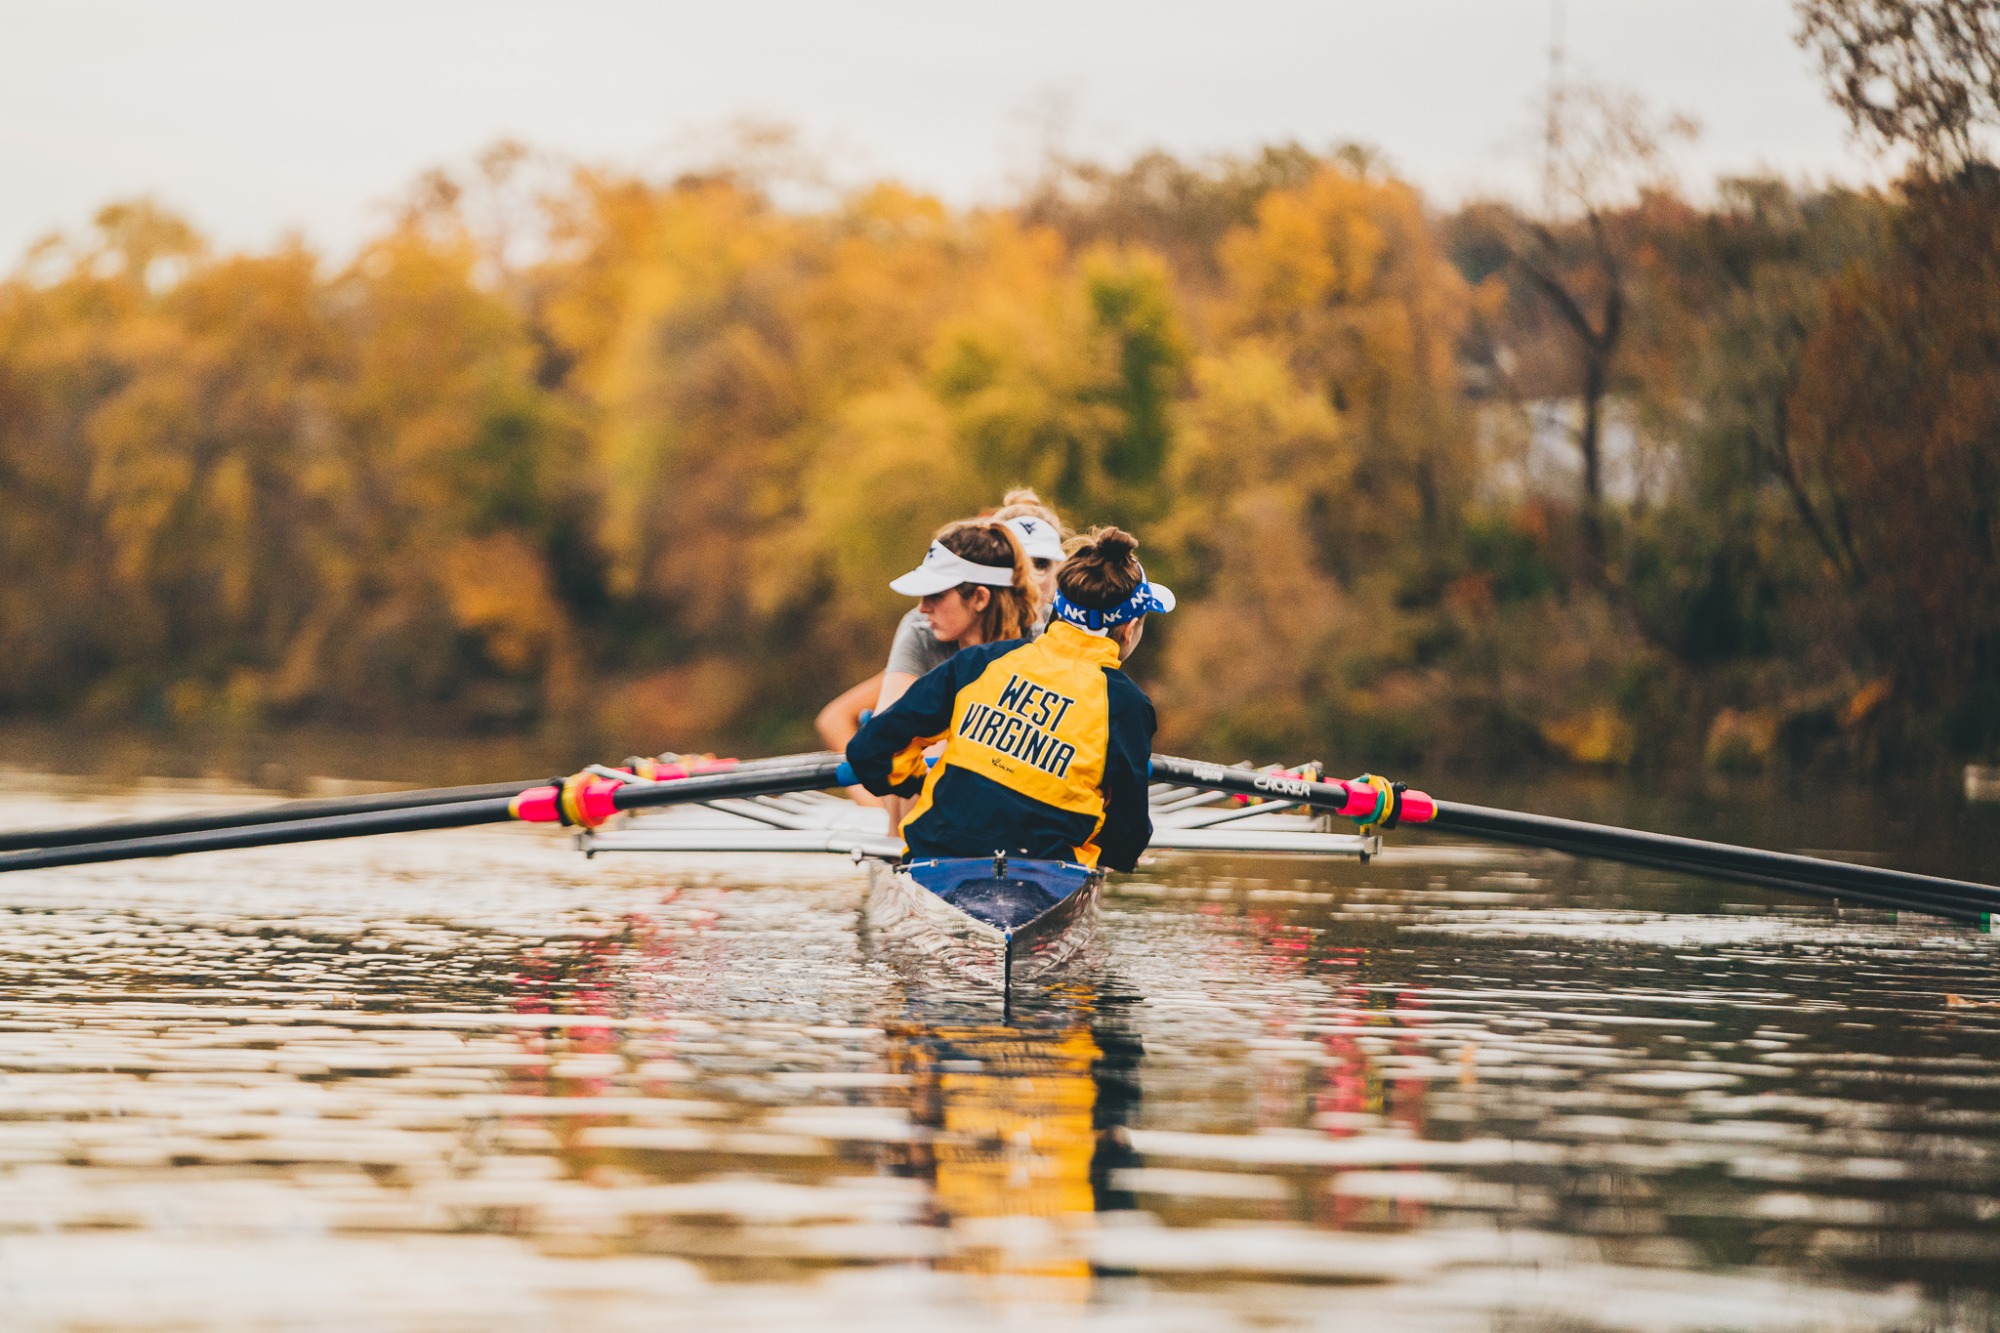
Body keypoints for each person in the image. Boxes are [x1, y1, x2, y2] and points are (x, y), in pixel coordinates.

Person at [846, 526, 1172, 873]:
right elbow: (1128, 839)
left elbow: (868, 751)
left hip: (937, 854)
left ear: (1058, 609)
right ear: (1130, 626)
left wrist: (934, 785)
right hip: (1050, 873)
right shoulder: (1127, 705)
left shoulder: (983, 661)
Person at [813, 490, 1067, 753]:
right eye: (1022, 560)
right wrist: (871, 793)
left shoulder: (1058, 637)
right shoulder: (923, 628)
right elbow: (843, 724)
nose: (1031, 575)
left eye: (1041, 563)